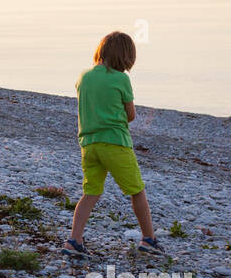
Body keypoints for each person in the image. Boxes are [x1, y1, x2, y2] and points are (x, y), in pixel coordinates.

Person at [63, 30, 167, 257]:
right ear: (126, 57)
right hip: (115, 143)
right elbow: (131, 114)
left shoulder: (83, 77)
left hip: (88, 144)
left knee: (90, 193)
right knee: (136, 191)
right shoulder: (122, 79)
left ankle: (74, 240)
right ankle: (148, 239)